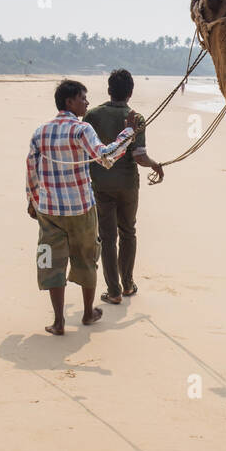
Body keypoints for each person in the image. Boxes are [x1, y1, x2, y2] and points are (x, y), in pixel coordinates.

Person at [26, 79, 136, 335]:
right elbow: (105, 157)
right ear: (69, 101)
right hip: (81, 208)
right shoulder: (81, 129)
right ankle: (88, 313)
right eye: (83, 98)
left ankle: (58, 321)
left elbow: (31, 170)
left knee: (52, 262)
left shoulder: (40, 131)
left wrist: (32, 201)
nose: (87, 102)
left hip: (49, 209)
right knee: (87, 259)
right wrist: (128, 133)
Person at [83, 68, 164, 305]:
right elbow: (140, 157)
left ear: (109, 90)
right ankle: (128, 284)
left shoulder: (92, 116)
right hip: (128, 184)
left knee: (107, 238)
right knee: (128, 232)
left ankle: (114, 290)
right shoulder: (136, 118)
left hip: (101, 184)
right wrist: (155, 165)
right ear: (131, 92)